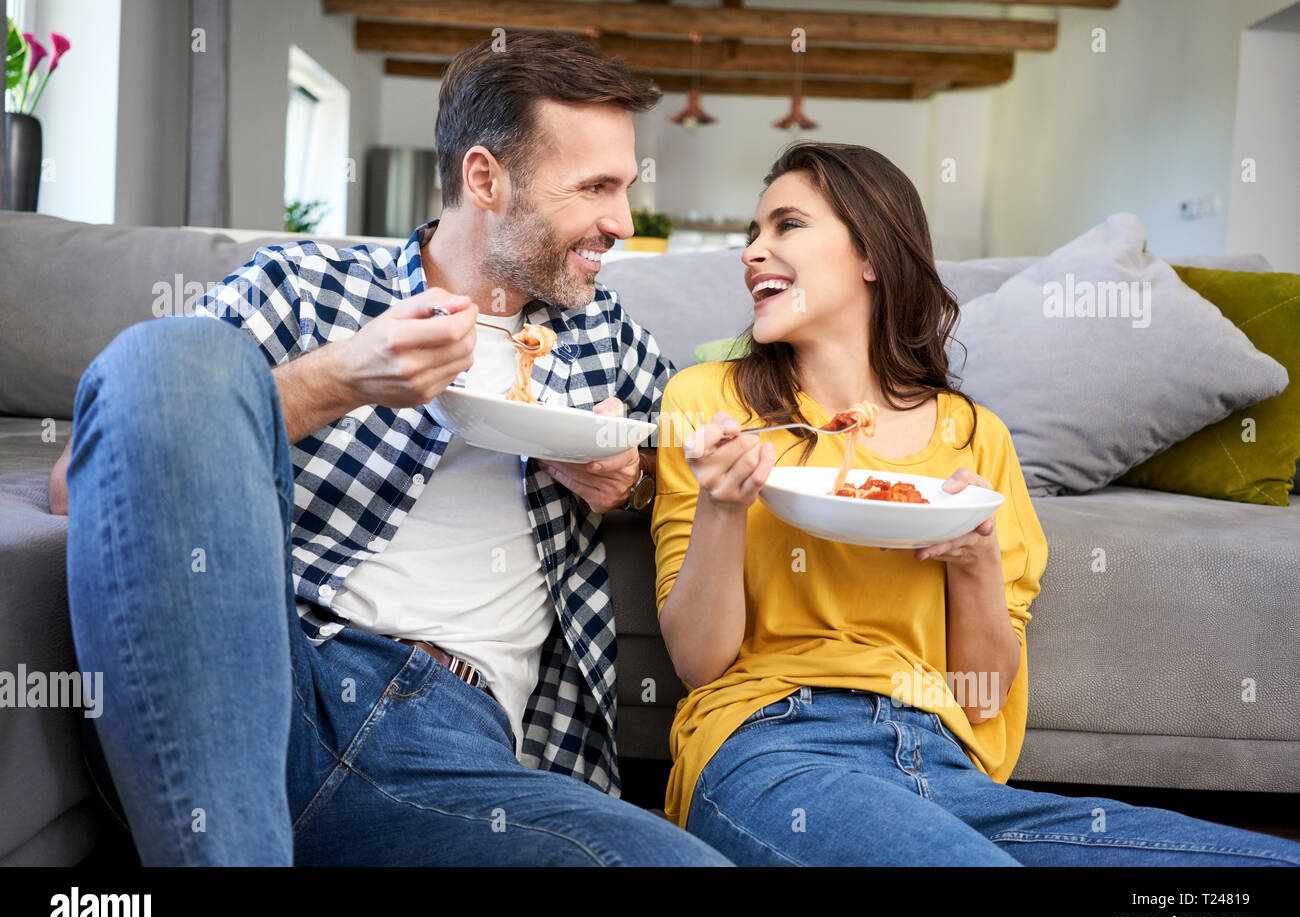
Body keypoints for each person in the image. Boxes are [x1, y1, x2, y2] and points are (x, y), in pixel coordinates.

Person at [48, 31, 729, 866]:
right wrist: (341, 376)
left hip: (460, 760)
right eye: (595, 187)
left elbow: (705, 449)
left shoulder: (602, 334)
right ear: (485, 178)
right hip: (258, 681)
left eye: (624, 187)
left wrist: (627, 478)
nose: (622, 221)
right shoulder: (306, 289)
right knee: (169, 356)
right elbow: (92, 478)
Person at [650, 140, 1300, 866]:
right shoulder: (711, 404)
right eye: (752, 234)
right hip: (772, 744)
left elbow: (982, 694)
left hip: (942, 762)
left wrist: (974, 557)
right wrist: (723, 506)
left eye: (786, 226)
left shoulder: (974, 438)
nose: (753, 251)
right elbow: (700, 663)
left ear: (872, 254)